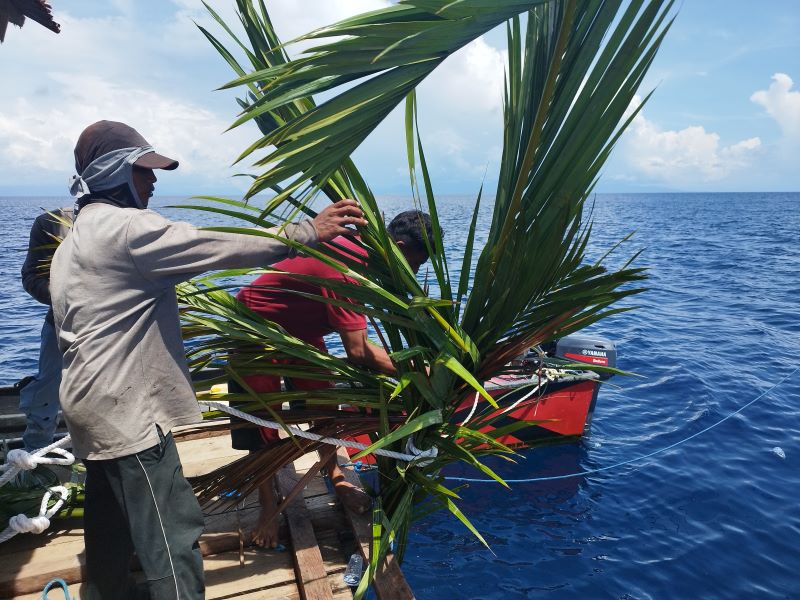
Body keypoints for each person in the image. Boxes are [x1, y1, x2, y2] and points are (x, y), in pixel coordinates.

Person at [48, 120, 367, 600]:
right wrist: (306, 231)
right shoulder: (128, 229)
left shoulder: (71, 242)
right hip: (126, 414)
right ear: (116, 174)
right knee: (171, 535)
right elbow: (213, 247)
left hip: (85, 406)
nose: (152, 181)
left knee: (110, 530)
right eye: (143, 171)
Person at [233, 210, 434, 549]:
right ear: (397, 247)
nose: (411, 274)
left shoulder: (364, 255)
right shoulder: (348, 270)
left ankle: (335, 478)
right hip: (258, 327)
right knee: (262, 419)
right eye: (412, 265)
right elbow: (357, 351)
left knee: (323, 405)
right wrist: (421, 374)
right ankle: (268, 507)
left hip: (302, 327)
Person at [19, 206, 73, 453]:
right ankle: (34, 465)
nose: (152, 182)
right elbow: (32, 276)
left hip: (118, 331)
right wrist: (68, 296)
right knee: (46, 395)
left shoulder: (134, 221)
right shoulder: (52, 222)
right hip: (60, 326)